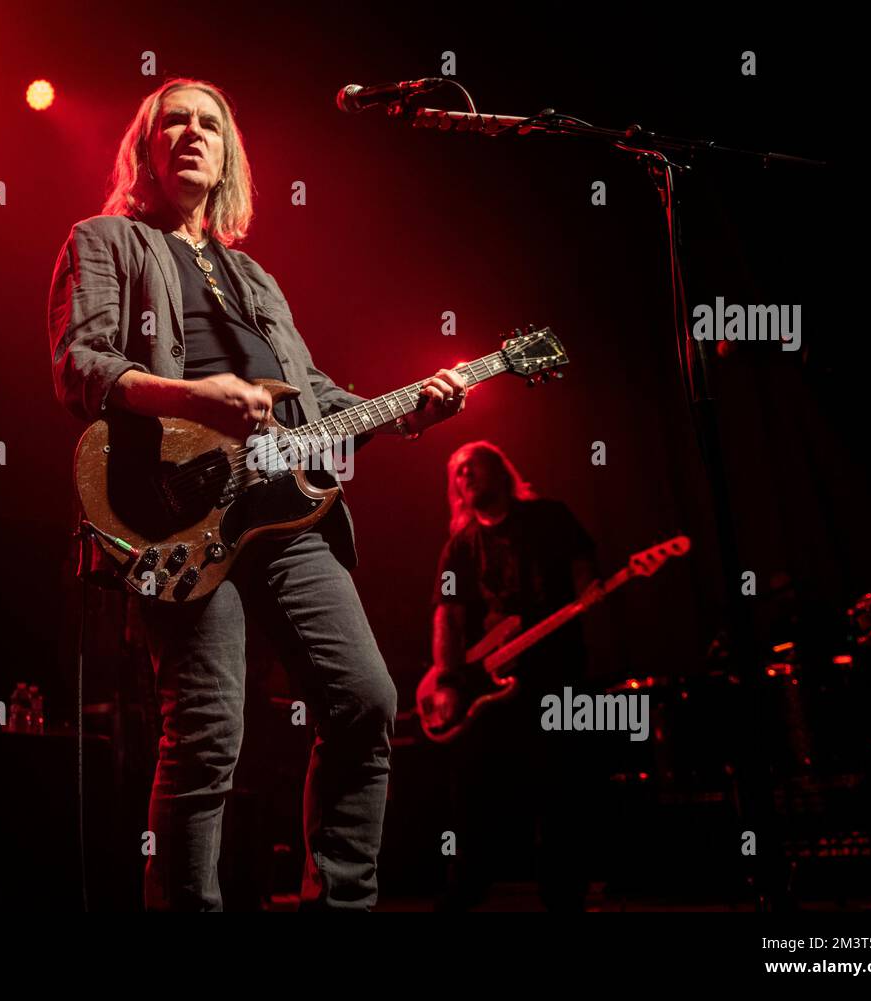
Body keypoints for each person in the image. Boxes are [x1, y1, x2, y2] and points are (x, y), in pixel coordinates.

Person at [47, 78, 468, 910]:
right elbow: (79, 367)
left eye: (211, 123)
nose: (193, 133)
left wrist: (411, 409)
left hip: (289, 511)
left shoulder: (256, 278)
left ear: (229, 154)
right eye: (175, 121)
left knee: (364, 701)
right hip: (177, 507)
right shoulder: (106, 241)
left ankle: (340, 902)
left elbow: (313, 396)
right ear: (147, 147)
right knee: (206, 736)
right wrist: (197, 398)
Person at [419, 440, 598, 910]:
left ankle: (564, 900)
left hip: (556, 676)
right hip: (493, 686)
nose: (467, 476)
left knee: (560, 794)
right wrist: (447, 677)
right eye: (459, 472)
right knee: (473, 798)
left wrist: (588, 597)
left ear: (501, 472)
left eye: (475, 468)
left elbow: (585, 573)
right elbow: (448, 614)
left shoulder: (549, 518)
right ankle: (460, 897)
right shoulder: (460, 544)